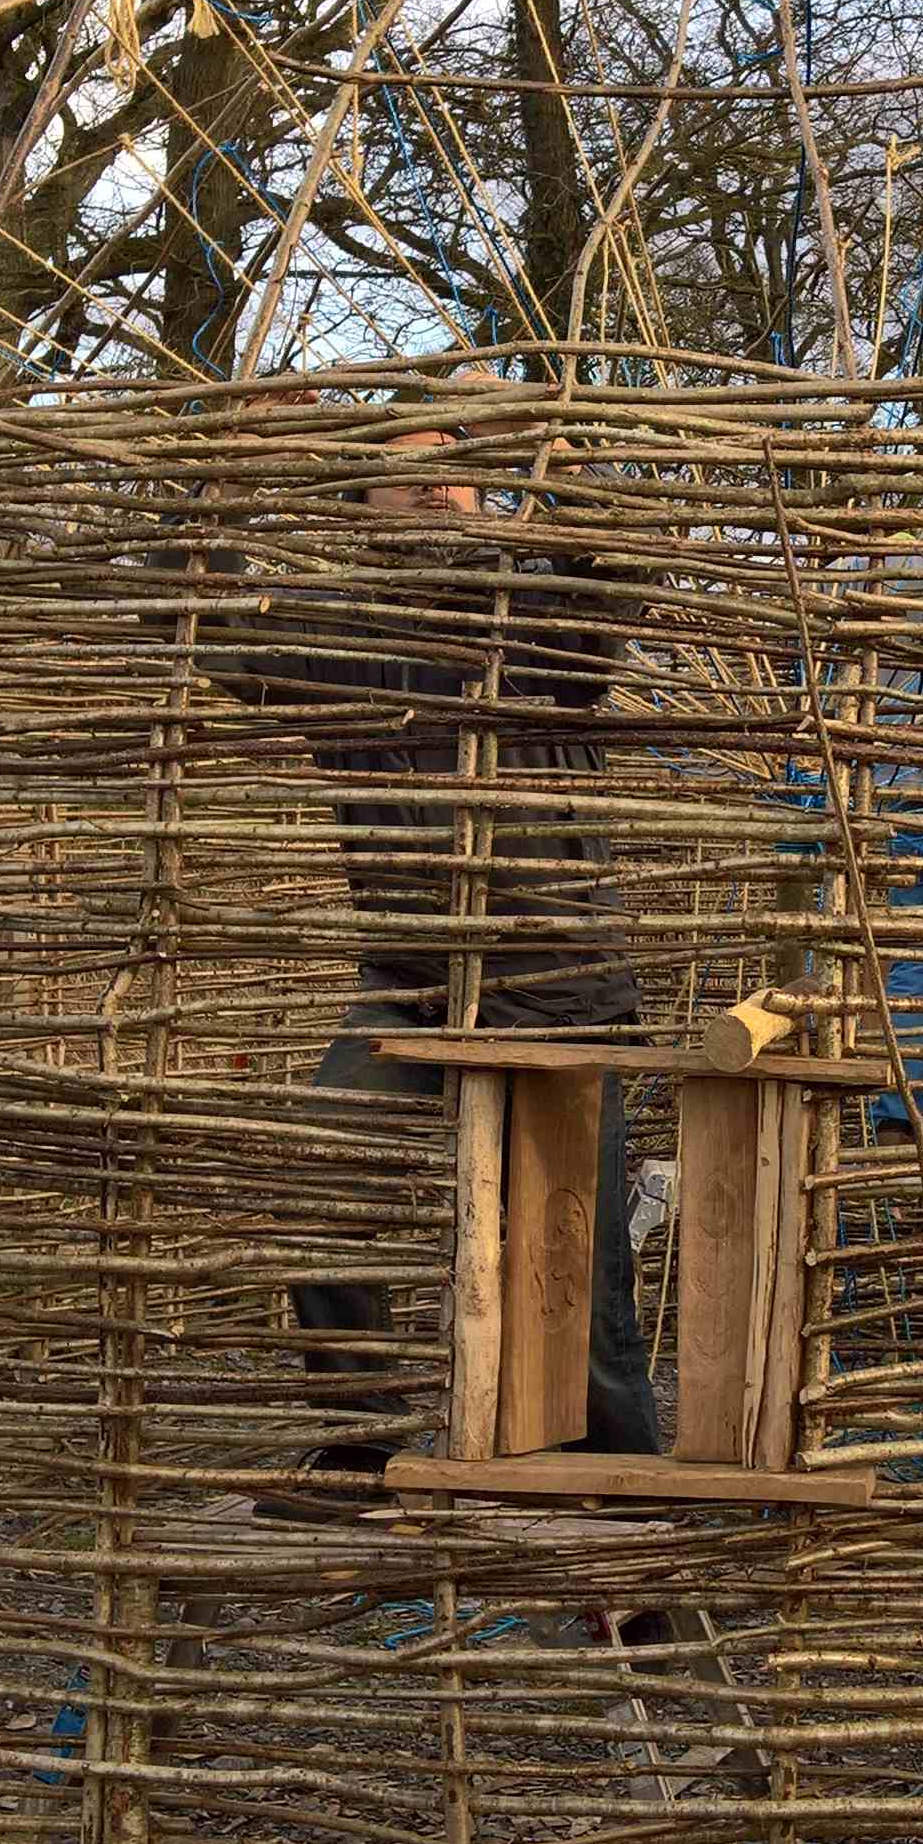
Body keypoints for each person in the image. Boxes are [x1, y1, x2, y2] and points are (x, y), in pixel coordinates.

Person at [195, 389, 663, 1489]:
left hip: (558, 986)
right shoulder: (333, 639)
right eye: (401, 476)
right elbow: (196, 620)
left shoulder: (541, 615)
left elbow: (615, 568)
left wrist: (551, 450)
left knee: (571, 1257)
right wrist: (221, 478)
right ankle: (360, 1437)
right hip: (408, 983)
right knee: (317, 1173)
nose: (433, 489)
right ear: (359, 508)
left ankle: (619, 1493)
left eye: (453, 472)